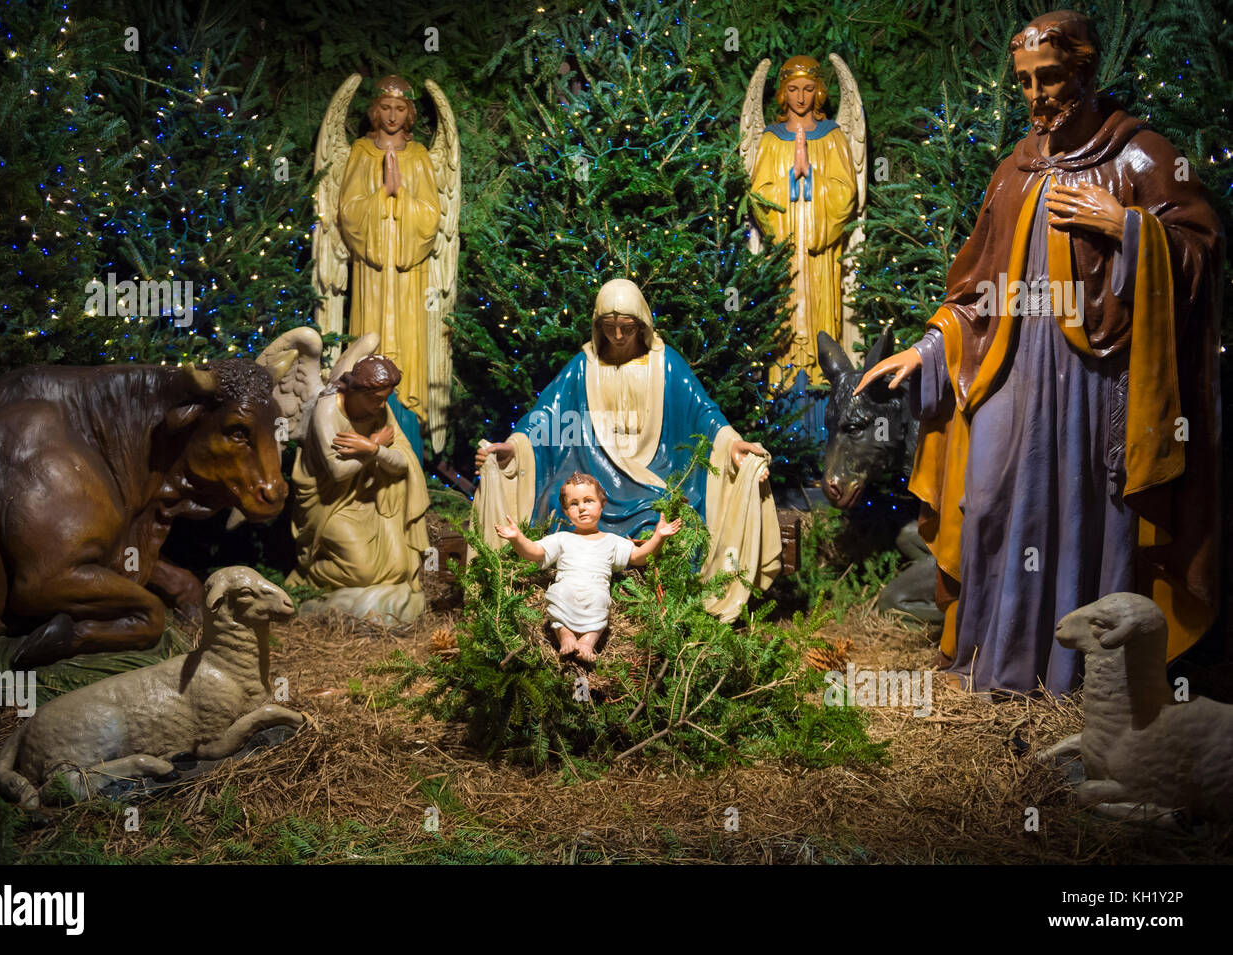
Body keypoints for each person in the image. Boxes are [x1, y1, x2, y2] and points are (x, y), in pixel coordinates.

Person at [859, 11, 1223, 696]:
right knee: (990, 499)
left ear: (1083, 73)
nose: (1036, 95)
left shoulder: (1140, 156)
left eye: (1049, 78)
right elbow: (977, 292)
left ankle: (1084, 681)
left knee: (1091, 522)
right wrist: (930, 346)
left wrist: (1131, 229)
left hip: (1099, 388)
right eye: (1024, 82)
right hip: (1013, 377)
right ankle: (996, 667)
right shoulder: (1015, 171)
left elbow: (1203, 253)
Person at [473, 278, 782, 623]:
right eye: (609, 327)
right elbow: (546, 415)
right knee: (558, 511)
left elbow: (704, 414)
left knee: (660, 517)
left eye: (627, 328)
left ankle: (655, 612)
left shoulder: (665, 364)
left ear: (643, 326)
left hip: (655, 473)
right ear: (598, 326)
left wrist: (732, 443)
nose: (618, 336)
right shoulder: (583, 366)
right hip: (589, 469)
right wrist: (513, 447)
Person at [285, 354, 430, 625]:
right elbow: (337, 471)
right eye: (376, 399)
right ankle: (308, 579)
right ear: (356, 391)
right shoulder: (328, 410)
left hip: (371, 496)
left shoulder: (380, 410)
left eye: (386, 398)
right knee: (362, 572)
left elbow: (402, 464)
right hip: (328, 503)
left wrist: (372, 449)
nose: (383, 405)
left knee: (398, 567)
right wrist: (373, 445)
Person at [749, 55, 858, 387]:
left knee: (820, 318)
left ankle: (823, 383)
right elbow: (759, 195)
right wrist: (788, 180)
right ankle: (781, 388)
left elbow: (846, 194)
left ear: (819, 92)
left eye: (808, 89)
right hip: (785, 249)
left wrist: (810, 175)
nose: (800, 97)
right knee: (783, 323)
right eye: (793, 89)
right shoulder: (770, 139)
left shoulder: (833, 136)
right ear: (783, 92)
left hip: (820, 253)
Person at [494, 472, 683, 663]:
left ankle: (587, 643)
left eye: (588, 501)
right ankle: (565, 636)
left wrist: (659, 537)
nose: (582, 508)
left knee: (601, 601)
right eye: (574, 504)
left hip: (596, 590)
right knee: (557, 594)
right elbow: (534, 551)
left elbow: (639, 557)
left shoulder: (611, 541)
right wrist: (517, 538)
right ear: (566, 511)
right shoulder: (562, 538)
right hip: (567, 587)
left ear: (602, 505)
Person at [338, 75, 440, 426]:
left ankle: (405, 418)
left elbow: (430, 218)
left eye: (400, 108)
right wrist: (383, 193)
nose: (392, 116)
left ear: (409, 113)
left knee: (407, 348)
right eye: (385, 108)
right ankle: (363, 412)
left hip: (409, 272)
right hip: (372, 269)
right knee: (371, 336)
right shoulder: (361, 152)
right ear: (375, 111)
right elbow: (349, 213)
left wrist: (403, 196)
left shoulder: (419, 156)